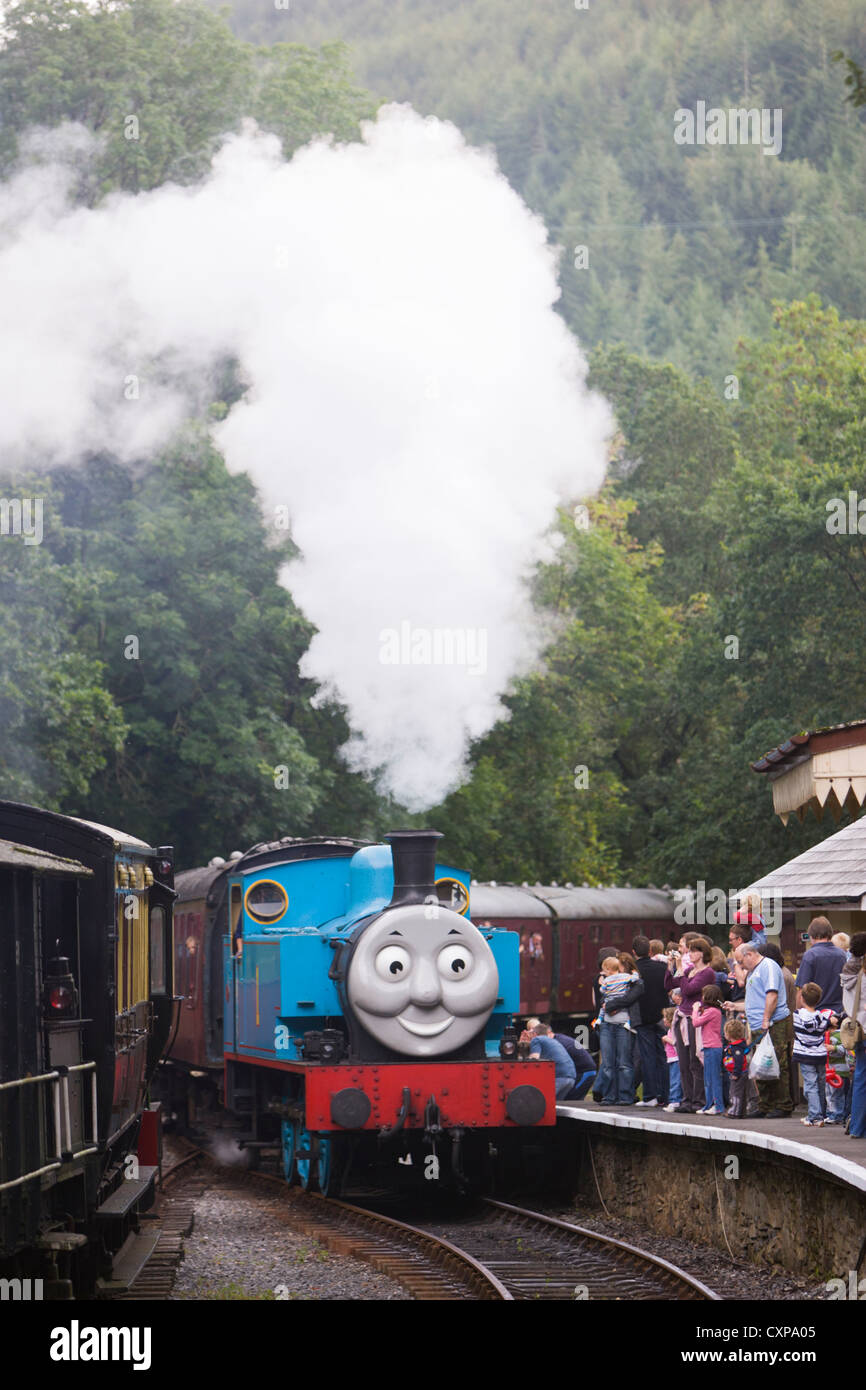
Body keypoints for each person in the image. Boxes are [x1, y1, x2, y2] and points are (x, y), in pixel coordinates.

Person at [729, 942, 792, 1117]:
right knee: (761, 1065)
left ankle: (782, 1105)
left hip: (772, 1023)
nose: (741, 966)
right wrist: (734, 1006)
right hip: (759, 1024)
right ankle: (765, 1105)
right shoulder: (752, 971)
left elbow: (772, 995)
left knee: (777, 1063)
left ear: (750, 954)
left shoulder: (768, 967)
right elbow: (754, 1001)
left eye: (741, 961)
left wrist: (765, 1019)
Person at [665, 936, 715, 1113]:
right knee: (683, 1061)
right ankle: (686, 1099)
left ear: (702, 953)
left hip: (695, 1019)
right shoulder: (688, 972)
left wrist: (679, 968)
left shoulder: (708, 973)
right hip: (682, 1018)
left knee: (695, 1060)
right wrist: (670, 967)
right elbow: (670, 984)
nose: (690, 953)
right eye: (690, 950)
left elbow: (688, 990)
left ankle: (699, 1100)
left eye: (694, 950)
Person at [595, 956, 641, 1105]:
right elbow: (603, 997)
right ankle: (610, 1096)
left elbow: (631, 995)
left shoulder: (622, 979)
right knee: (610, 1062)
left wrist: (612, 1005)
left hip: (622, 1024)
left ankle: (624, 1096)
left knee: (623, 1062)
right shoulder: (622, 979)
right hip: (608, 1024)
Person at [631, 935, 670, 1108]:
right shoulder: (662, 967)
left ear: (634, 952)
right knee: (664, 1056)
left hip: (643, 1018)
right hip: (662, 1017)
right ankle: (666, 1095)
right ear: (650, 951)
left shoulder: (634, 972)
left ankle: (650, 1095)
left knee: (648, 1057)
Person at [792, 982, 837, 1126]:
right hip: (820, 1055)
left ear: (802, 999)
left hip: (805, 1056)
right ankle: (821, 1113)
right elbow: (828, 1024)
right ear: (818, 1000)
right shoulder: (822, 1018)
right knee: (820, 1083)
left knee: (810, 1085)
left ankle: (814, 1116)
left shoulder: (797, 1015)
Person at [795, 917, 848, 1016]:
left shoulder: (810, 955)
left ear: (812, 935)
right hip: (837, 1014)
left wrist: (798, 1013)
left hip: (815, 1015)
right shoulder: (841, 955)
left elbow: (802, 989)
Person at [841, 932, 866, 1139]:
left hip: (857, 1030)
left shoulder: (847, 971)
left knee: (859, 1078)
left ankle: (857, 1127)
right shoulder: (863, 975)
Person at [693, 983, 725, 1114]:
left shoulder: (712, 1011)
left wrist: (695, 1010)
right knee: (708, 1078)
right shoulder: (714, 1011)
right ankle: (709, 1104)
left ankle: (718, 1106)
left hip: (713, 1047)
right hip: (709, 1047)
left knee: (713, 1078)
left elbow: (695, 1022)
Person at [526, 1021, 577, 1100]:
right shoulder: (554, 1041)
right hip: (571, 1078)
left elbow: (534, 1059)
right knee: (555, 1107)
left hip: (558, 1077)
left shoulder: (536, 1039)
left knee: (541, 1103)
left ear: (535, 1034)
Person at [552, 1029, 597, 1101]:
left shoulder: (558, 1043)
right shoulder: (559, 1038)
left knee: (571, 1099)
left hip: (585, 1072)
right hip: (579, 1071)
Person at [723, 1017, 752, 1118]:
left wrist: (735, 1073)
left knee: (735, 1093)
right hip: (740, 1073)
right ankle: (741, 1111)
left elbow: (738, 1061)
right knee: (741, 1093)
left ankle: (734, 1112)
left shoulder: (736, 1048)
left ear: (729, 1035)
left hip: (738, 1074)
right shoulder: (739, 1045)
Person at [661, 1005, 683, 1111]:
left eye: (665, 1017)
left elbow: (676, 1042)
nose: (663, 1020)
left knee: (675, 1080)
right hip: (671, 1058)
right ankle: (676, 1099)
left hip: (676, 1058)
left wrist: (666, 1039)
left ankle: (675, 1100)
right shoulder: (670, 1030)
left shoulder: (674, 1029)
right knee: (673, 1079)